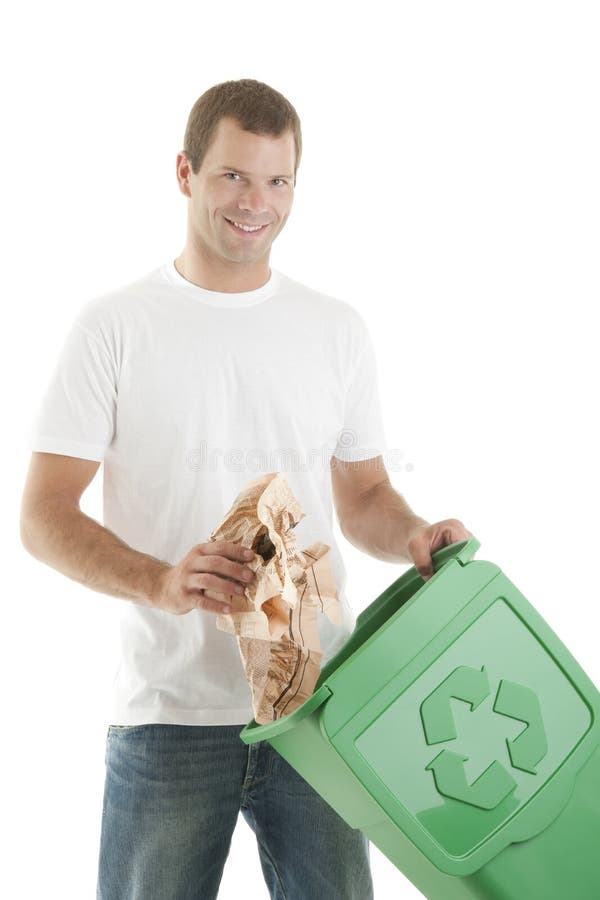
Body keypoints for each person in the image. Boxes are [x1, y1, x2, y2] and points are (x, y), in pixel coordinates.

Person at [20, 78, 472, 900]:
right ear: (185, 173)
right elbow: (43, 515)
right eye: (233, 175)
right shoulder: (114, 326)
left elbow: (364, 495)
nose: (255, 202)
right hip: (170, 713)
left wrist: (411, 533)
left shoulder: (335, 328)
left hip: (318, 707)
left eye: (277, 180)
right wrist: (161, 581)